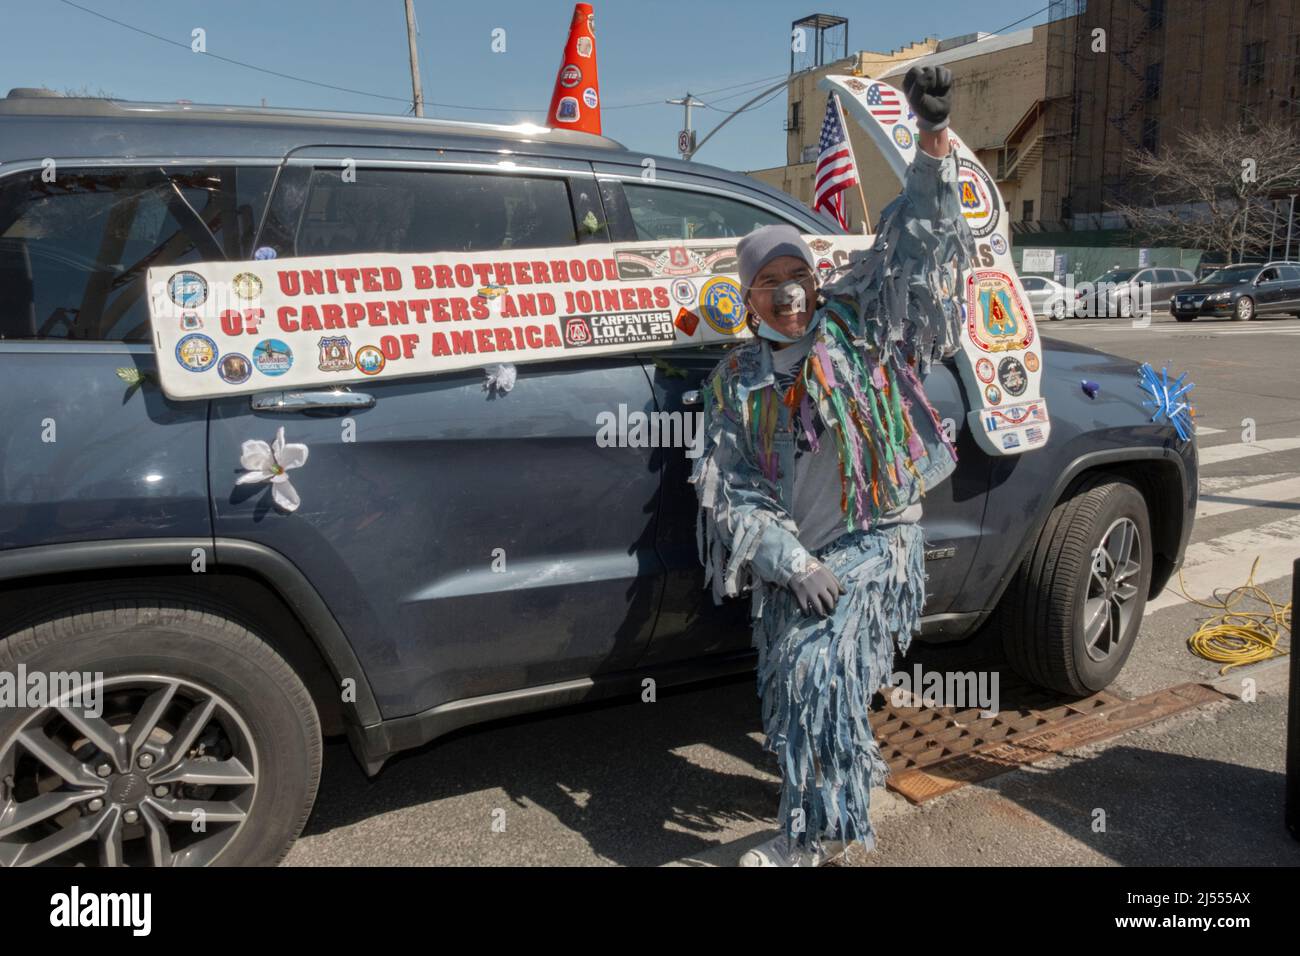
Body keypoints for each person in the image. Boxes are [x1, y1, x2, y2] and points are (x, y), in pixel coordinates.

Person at [689, 65, 978, 866]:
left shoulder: (857, 320)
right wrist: (790, 561)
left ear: (816, 282)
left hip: (879, 543)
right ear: (748, 299)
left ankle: (815, 837)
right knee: (790, 690)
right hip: (801, 560)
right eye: (769, 284)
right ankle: (835, 781)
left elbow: (918, 239)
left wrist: (931, 139)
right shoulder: (736, 382)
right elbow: (734, 494)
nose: (789, 296)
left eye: (798, 278)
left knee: (819, 673)